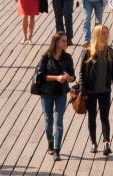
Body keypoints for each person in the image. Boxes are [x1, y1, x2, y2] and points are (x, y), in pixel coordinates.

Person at [79, 24, 113, 156]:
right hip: (90, 91)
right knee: (92, 117)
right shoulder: (88, 52)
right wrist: (83, 90)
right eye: (103, 33)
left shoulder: (110, 52)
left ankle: (106, 142)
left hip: (105, 90)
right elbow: (81, 74)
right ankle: (93, 142)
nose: (105, 35)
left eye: (107, 33)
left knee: (104, 117)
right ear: (97, 35)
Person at [37, 32, 76, 162]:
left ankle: (56, 149)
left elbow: (73, 76)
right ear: (57, 42)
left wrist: (69, 78)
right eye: (63, 41)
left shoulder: (67, 57)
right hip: (47, 92)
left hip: (61, 93)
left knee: (59, 121)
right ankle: (50, 141)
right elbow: (40, 76)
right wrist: (56, 77)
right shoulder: (46, 57)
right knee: (48, 121)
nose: (66, 43)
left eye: (66, 40)